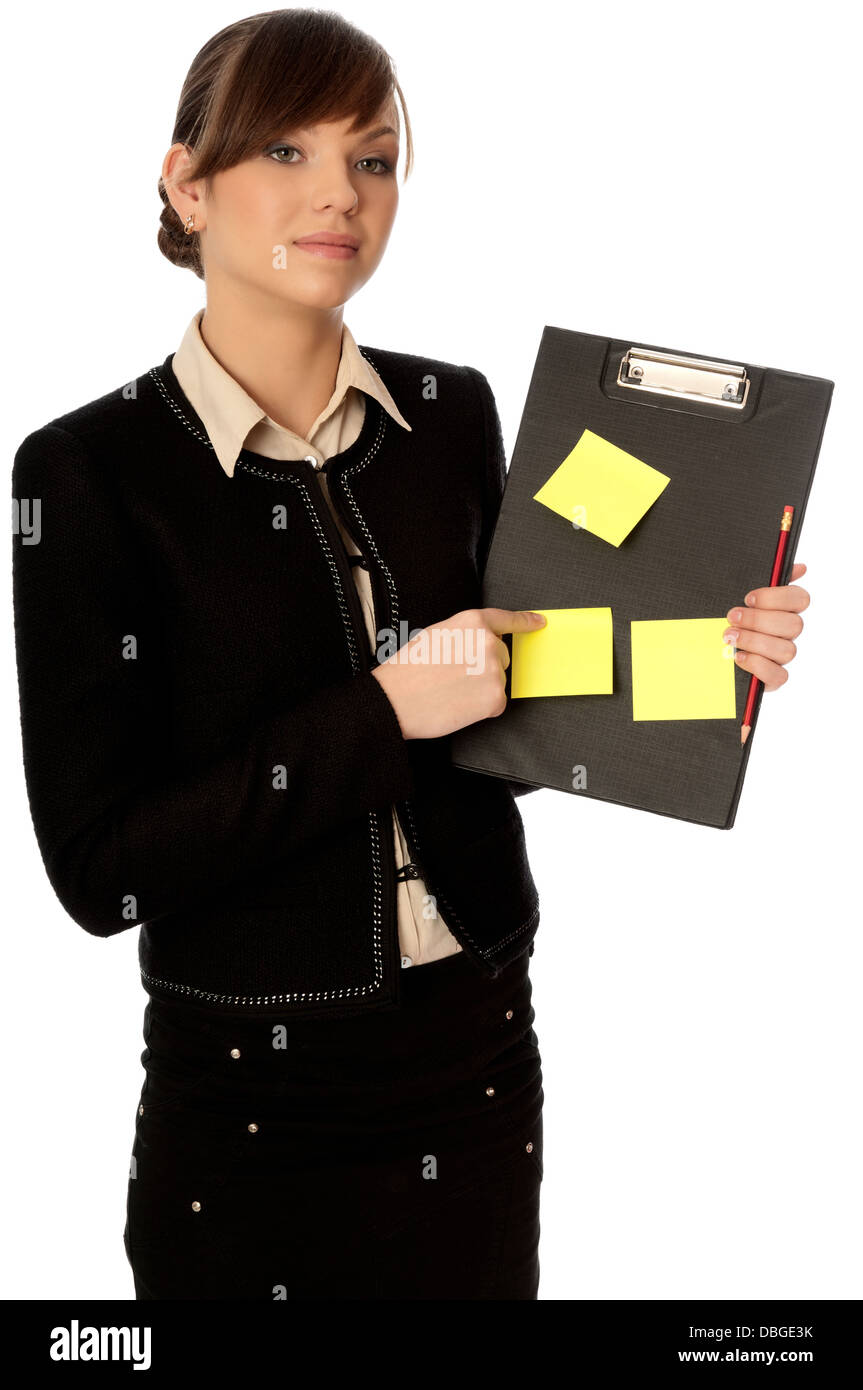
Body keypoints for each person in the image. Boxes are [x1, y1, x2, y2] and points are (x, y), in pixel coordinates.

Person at [10, 8, 809, 1301]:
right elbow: (99, 871)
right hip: (252, 1105)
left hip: (480, 1055)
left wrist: (707, 653)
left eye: (373, 160)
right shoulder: (87, 474)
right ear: (187, 183)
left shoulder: (450, 415)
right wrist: (379, 711)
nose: (340, 192)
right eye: (286, 150)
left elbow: (512, 705)